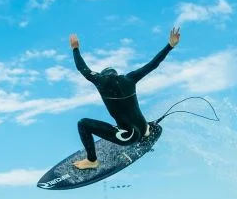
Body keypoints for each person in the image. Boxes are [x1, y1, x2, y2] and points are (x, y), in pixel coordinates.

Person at [70, 27, 181, 169]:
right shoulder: (129, 78)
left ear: (103, 75)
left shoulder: (101, 82)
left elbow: (82, 68)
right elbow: (153, 64)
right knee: (129, 117)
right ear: (116, 74)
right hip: (144, 128)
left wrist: (75, 48)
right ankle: (145, 132)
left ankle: (92, 161)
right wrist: (170, 46)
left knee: (83, 124)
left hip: (129, 136)